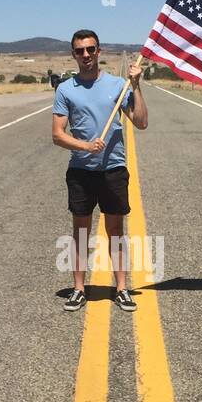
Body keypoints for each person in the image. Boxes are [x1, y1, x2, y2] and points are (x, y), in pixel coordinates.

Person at [51, 29, 148, 312]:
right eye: (80, 51)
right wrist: (84, 146)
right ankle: (79, 289)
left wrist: (136, 86)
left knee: (116, 231)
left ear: (99, 51)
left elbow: (141, 122)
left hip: (113, 169)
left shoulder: (119, 85)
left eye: (90, 49)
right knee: (80, 232)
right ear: (73, 54)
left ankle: (121, 288)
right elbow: (58, 134)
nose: (86, 55)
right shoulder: (66, 89)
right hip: (81, 171)